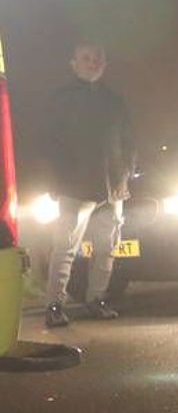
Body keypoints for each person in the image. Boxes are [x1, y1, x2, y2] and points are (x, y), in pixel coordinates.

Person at [43, 42, 135, 328]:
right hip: (75, 187)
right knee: (65, 248)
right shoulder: (61, 100)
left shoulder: (114, 101)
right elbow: (50, 143)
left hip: (112, 187)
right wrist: (57, 180)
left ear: (104, 63)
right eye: (86, 58)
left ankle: (97, 299)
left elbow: (129, 142)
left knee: (107, 248)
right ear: (73, 63)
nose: (93, 63)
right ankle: (54, 305)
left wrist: (125, 174)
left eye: (97, 59)